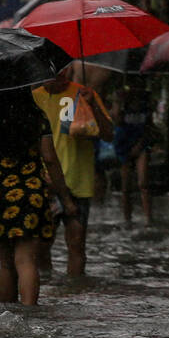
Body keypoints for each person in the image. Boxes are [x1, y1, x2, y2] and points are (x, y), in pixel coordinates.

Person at [0, 88, 76, 306]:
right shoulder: (37, 119)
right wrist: (66, 198)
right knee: (26, 260)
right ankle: (30, 315)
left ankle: (6, 313)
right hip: (31, 193)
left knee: (5, 263)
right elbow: (49, 158)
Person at [32, 65, 113, 277]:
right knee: (41, 245)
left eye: (59, 71)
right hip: (45, 183)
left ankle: (74, 293)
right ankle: (47, 287)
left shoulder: (83, 94)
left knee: (76, 244)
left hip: (78, 182)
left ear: (66, 70)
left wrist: (93, 104)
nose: (56, 77)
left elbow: (108, 135)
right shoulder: (33, 99)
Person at [112, 78, 154, 226]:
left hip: (141, 144)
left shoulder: (146, 103)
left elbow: (149, 126)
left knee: (143, 183)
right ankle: (127, 219)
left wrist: (141, 144)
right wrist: (118, 102)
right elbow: (116, 121)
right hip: (124, 145)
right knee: (126, 186)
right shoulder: (122, 102)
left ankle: (148, 219)